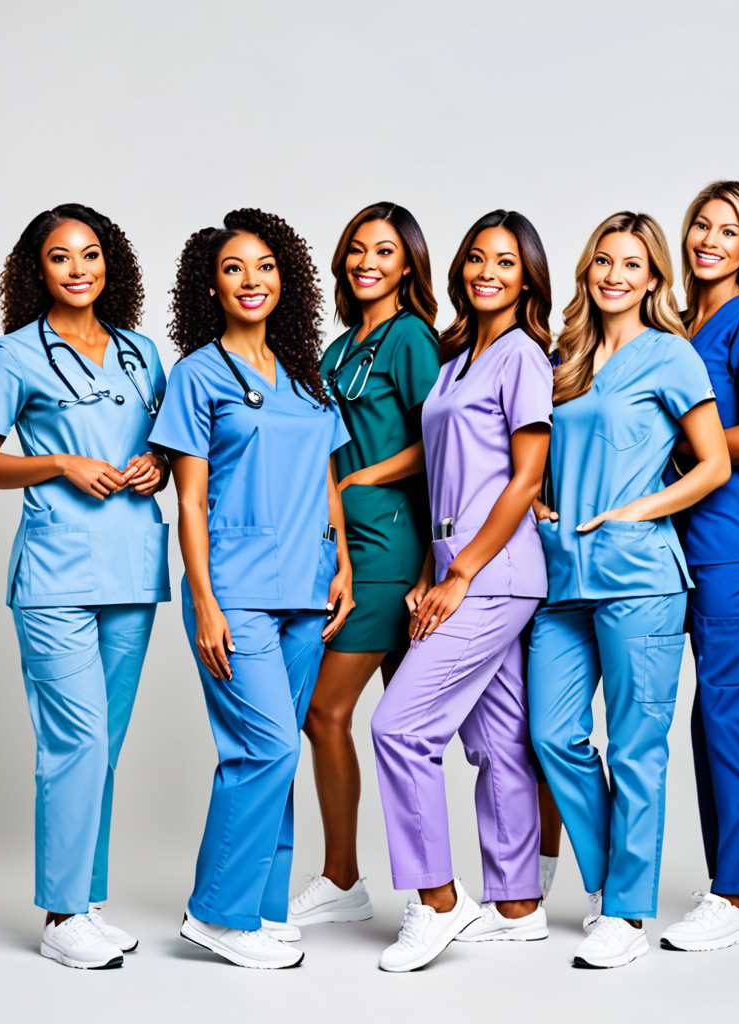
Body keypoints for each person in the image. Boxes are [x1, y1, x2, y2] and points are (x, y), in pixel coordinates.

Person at [0, 204, 170, 969]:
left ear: (110, 264)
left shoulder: (143, 353)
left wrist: (158, 467)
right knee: (72, 740)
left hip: (134, 567)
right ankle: (58, 919)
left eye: (90, 254)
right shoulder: (16, 354)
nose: (78, 269)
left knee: (102, 745)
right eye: (60, 257)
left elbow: (169, 446)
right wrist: (56, 464)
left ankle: (85, 901)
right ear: (36, 270)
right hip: (55, 572)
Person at [148, 209, 353, 969]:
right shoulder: (198, 375)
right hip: (235, 590)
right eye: (234, 268)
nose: (251, 281)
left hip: (306, 587)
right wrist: (204, 600)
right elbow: (190, 500)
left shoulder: (307, 378)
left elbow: (328, 479)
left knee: (277, 750)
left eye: (265, 266)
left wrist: (344, 565)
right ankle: (218, 914)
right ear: (211, 284)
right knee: (261, 746)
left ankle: (262, 907)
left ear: (286, 279)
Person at [528, 212, 731, 969]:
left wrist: (638, 509)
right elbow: (543, 455)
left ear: (653, 279)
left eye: (633, 264)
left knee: (638, 747)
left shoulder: (672, 356)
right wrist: (542, 504)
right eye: (603, 262)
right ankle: (617, 883)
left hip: (640, 574)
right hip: (562, 575)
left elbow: (710, 463)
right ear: (588, 273)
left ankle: (625, 913)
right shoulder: (566, 360)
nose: (615, 275)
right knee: (553, 735)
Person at [370, 210, 553, 972]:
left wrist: (462, 572)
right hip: (458, 567)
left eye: (506, 262)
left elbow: (526, 480)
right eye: (477, 258)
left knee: (399, 728)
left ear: (527, 278)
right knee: (498, 740)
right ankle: (516, 906)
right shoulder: (452, 364)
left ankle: (439, 902)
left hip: (496, 573)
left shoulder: (523, 357)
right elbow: (445, 481)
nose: (487, 272)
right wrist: (426, 575)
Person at [291, 204, 440, 927]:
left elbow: (438, 441)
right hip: (341, 546)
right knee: (397, 723)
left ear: (408, 262)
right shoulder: (341, 346)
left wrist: (364, 481)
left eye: (384, 250)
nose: (367, 261)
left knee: (326, 712)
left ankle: (344, 875)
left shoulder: (410, 337)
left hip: (388, 543)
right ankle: (425, 891)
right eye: (356, 249)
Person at [658, 182, 739, 952]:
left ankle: (734, 900)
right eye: (702, 225)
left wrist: (670, 447)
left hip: (734, 544)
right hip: (675, 544)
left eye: (728, 231)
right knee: (700, 723)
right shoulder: (679, 322)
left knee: (729, 719)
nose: (710, 239)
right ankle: (721, 886)